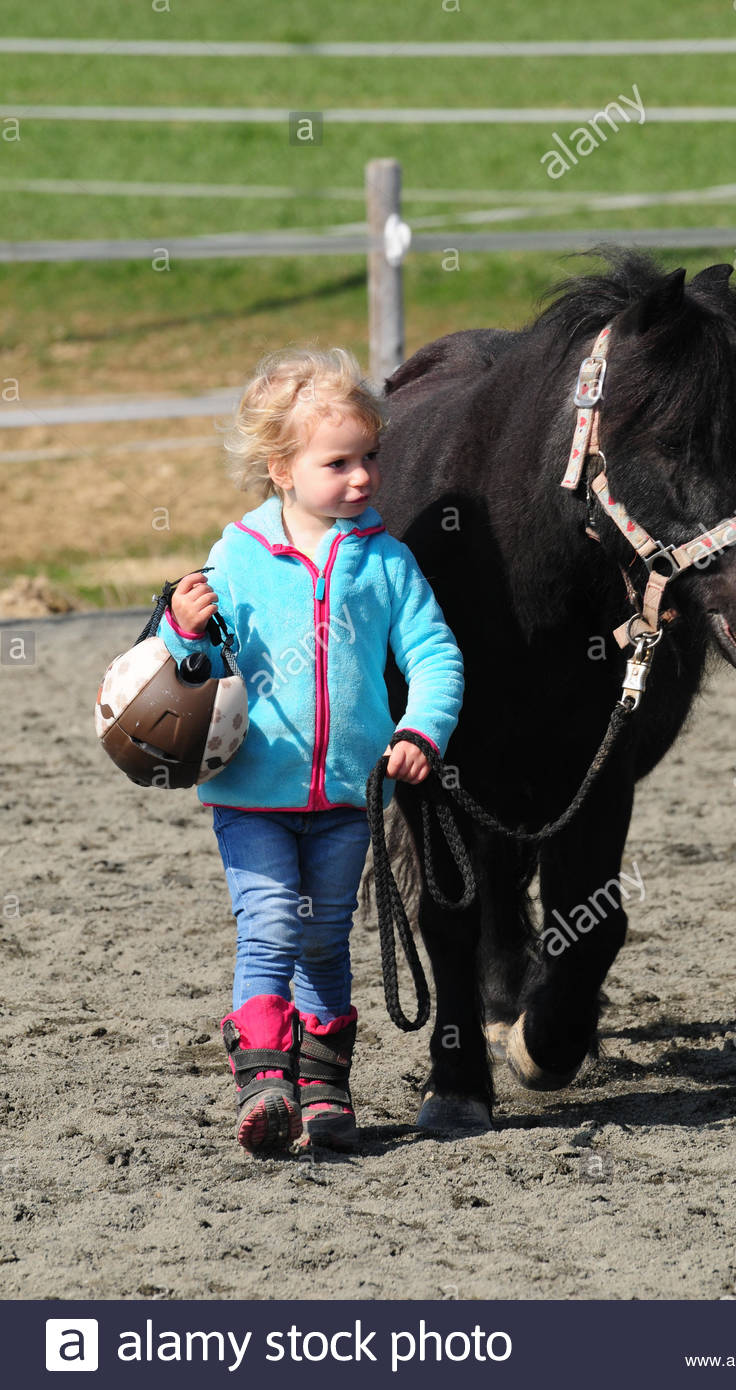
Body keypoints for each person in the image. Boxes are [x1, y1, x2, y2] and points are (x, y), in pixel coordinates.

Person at [158, 347, 464, 1155]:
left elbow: (434, 656)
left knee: (326, 937)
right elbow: (194, 668)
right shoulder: (237, 556)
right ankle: (265, 1084)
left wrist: (418, 730)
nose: (362, 476)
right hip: (251, 792)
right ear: (282, 469)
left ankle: (325, 1088)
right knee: (268, 930)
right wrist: (181, 628)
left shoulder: (388, 563)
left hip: (348, 797)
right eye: (339, 462)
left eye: (370, 456)